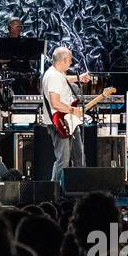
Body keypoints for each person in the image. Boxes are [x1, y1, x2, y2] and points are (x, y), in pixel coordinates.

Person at [40, 47, 92, 181]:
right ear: (63, 60)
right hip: (59, 123)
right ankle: (54, 192)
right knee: (63, 160)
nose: (71, 62)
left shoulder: (57, 73)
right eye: (70, 59)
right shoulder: (53, 77)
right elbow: (55, 103)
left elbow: (63, 79)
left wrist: (79, 78)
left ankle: (78, 188)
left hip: (69, 122)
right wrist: (73, 110)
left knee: (79, 158)